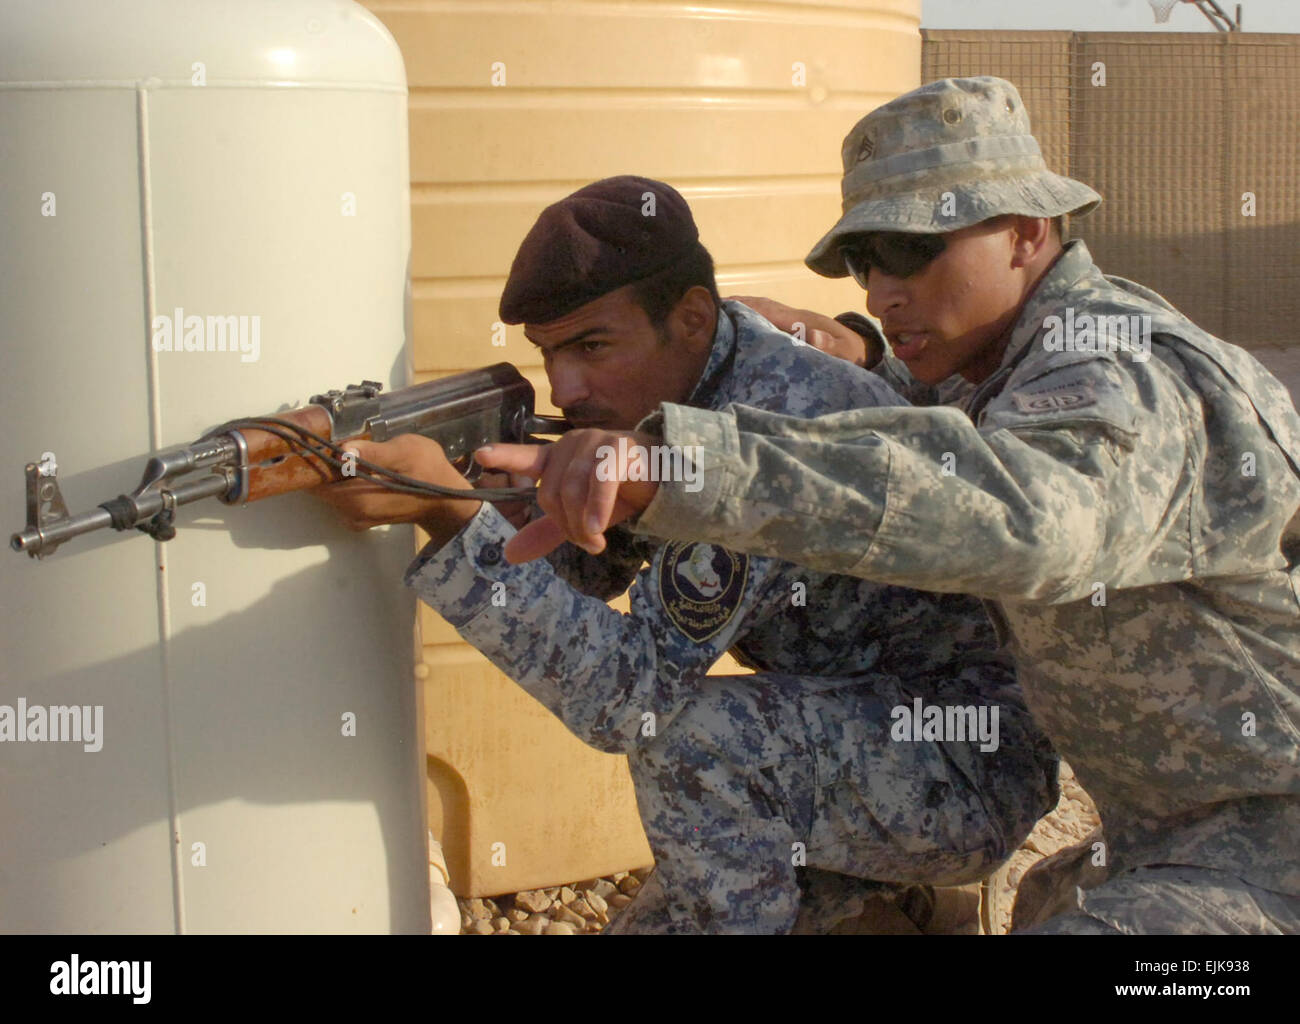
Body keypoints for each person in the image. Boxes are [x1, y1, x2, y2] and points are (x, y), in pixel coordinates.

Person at [482, 79, 1300, 935]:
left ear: (1028, 232)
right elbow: (909, 410)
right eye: (865, 260)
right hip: (1161, 842)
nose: (880, 289)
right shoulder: (1001, 360)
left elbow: (1033, 519)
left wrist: (683, 467)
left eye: (911, 252)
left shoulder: (1123, 367)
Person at [311, 174, 1059, 933]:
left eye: (592, 345)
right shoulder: (689, 388)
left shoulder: (757, 425)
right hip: (835, 740)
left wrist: (445, 512)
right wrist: (493, 497)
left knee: (697, 747)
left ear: (693, 318)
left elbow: (628, 701)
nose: (565, 387)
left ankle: (902, 888)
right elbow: (591, 567)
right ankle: (895, 907)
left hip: (962, 758)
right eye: (547, 354)